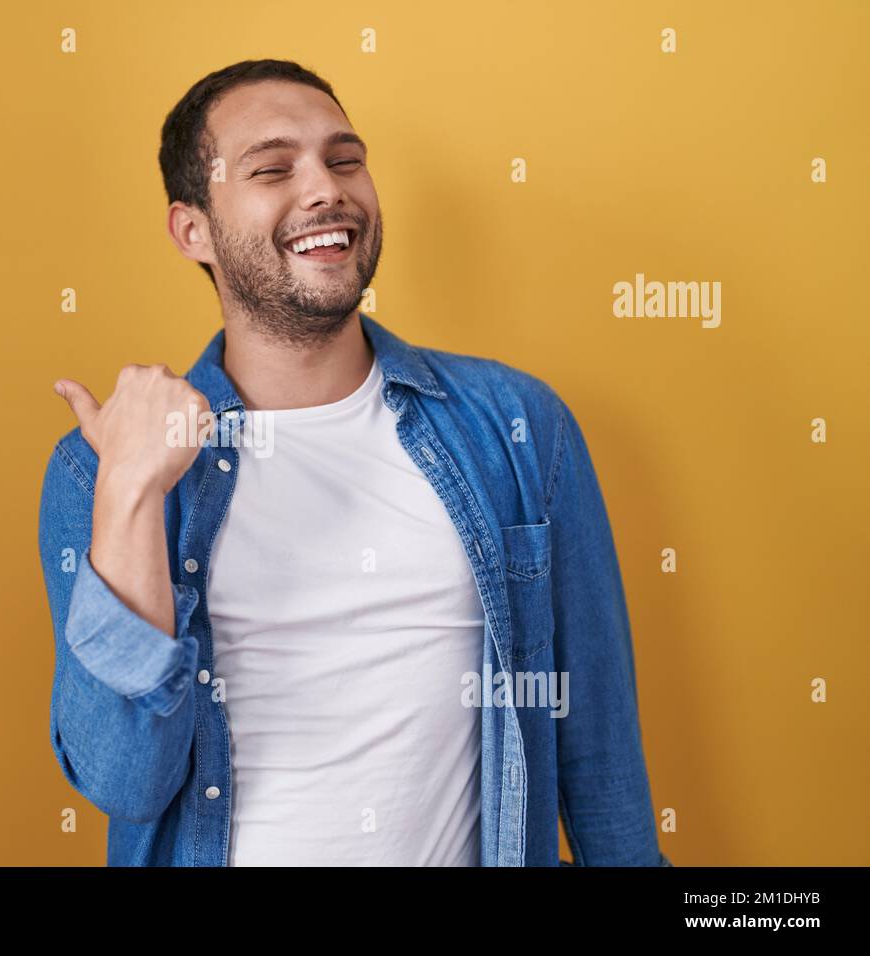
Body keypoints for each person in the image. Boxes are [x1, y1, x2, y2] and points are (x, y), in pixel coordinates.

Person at [38, 58, 670, 867]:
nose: (326, 189)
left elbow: (597, 749)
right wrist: (130, 492)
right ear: (191, 228)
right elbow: (124, 781)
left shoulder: (517, 425)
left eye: (345, 160)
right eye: (273, 168)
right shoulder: (98, 469)